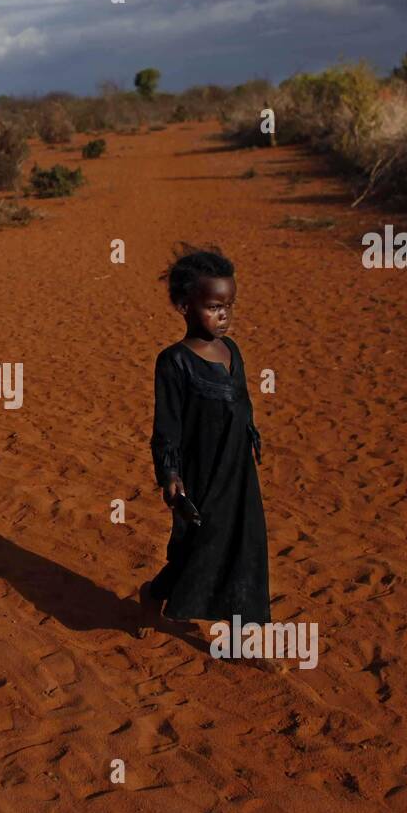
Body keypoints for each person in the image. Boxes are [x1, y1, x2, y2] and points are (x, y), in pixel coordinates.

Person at [141, 244, 269, 638]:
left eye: (228, 305)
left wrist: (250, 442)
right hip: (200, 471)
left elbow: (240, 403)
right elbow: (168, 425)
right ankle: (154, 595)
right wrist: (170, 473)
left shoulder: (232, 351)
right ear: (184, 305)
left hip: (238, 469)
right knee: (196, 548)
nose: (224, 315)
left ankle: (243, 637)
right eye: (213, 306)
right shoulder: (174, 361)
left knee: (245, 548)